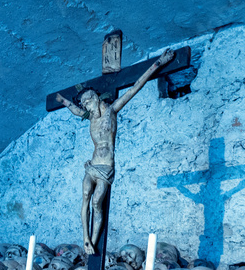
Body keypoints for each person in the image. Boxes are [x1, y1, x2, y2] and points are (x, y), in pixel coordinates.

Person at [56, 48, 176, 254]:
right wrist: (62, 100)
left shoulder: (112, 111)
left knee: (96, 203)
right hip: (92, 165)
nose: (86, 105)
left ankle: (92, 241)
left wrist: (159, 63)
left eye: (89, 100)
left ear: (96, 97)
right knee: (85, 196)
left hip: (106, 167)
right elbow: (73, 109)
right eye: (84, 103)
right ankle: (86, 237)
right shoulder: (89, 117)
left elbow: (136, 87)